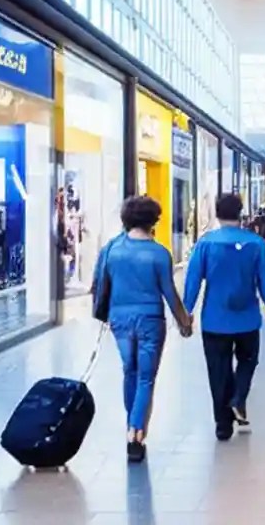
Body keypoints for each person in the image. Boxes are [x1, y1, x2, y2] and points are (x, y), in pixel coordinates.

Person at [94, 196, 194, 463]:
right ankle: (135, 434)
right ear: (154, 221)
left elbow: (99, 286)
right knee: (146, 377)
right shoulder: (160, 254)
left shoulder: (111, 250)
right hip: (150, 320)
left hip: (120, 320)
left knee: (130, 371)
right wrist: (184, 322)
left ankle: (132, 426)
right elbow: (169, 294)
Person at [183, 194, 265, 442]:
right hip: (247, 319)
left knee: (218, 370)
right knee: (248, 360)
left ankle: (222, 425)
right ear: (241, 213)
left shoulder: (205, 244)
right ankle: (238, 397)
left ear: (217, 213)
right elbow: (264, 281)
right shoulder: (256, 244)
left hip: (214, 320)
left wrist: (186, 312)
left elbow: (193, 281)